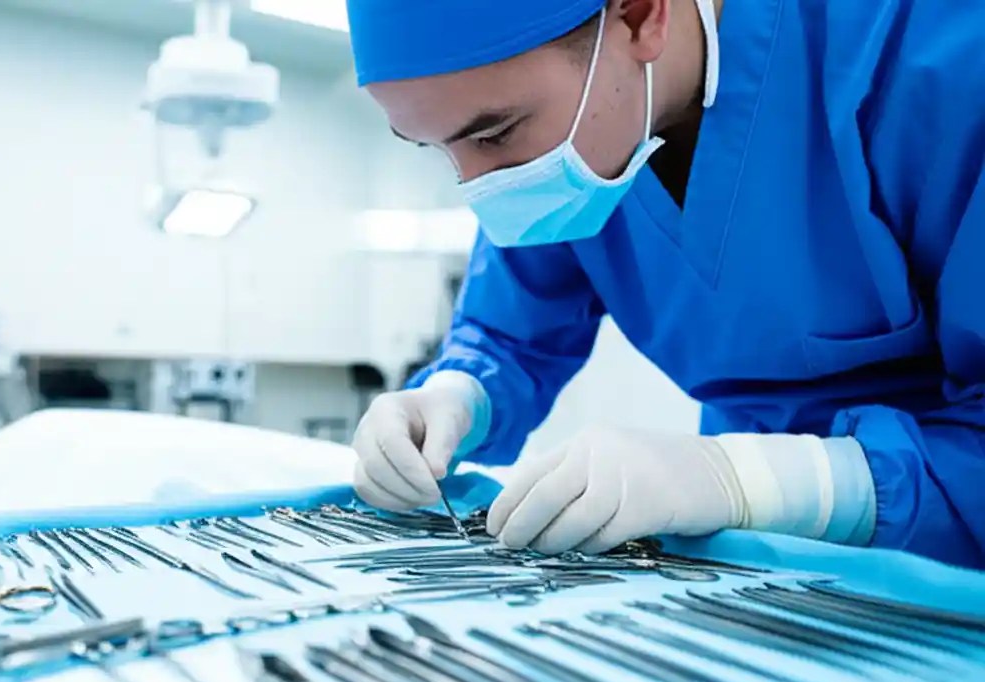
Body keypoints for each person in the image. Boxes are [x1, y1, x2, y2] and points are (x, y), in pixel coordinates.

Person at [346, 0, 985, 568]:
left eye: (493, 133)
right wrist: (457, 398)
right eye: (435, 148)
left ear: (639, 15)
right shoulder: (578, 145)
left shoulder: (931, 53)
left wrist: (745, 482)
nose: (476, 184)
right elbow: (506, 336)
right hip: (752, 569)